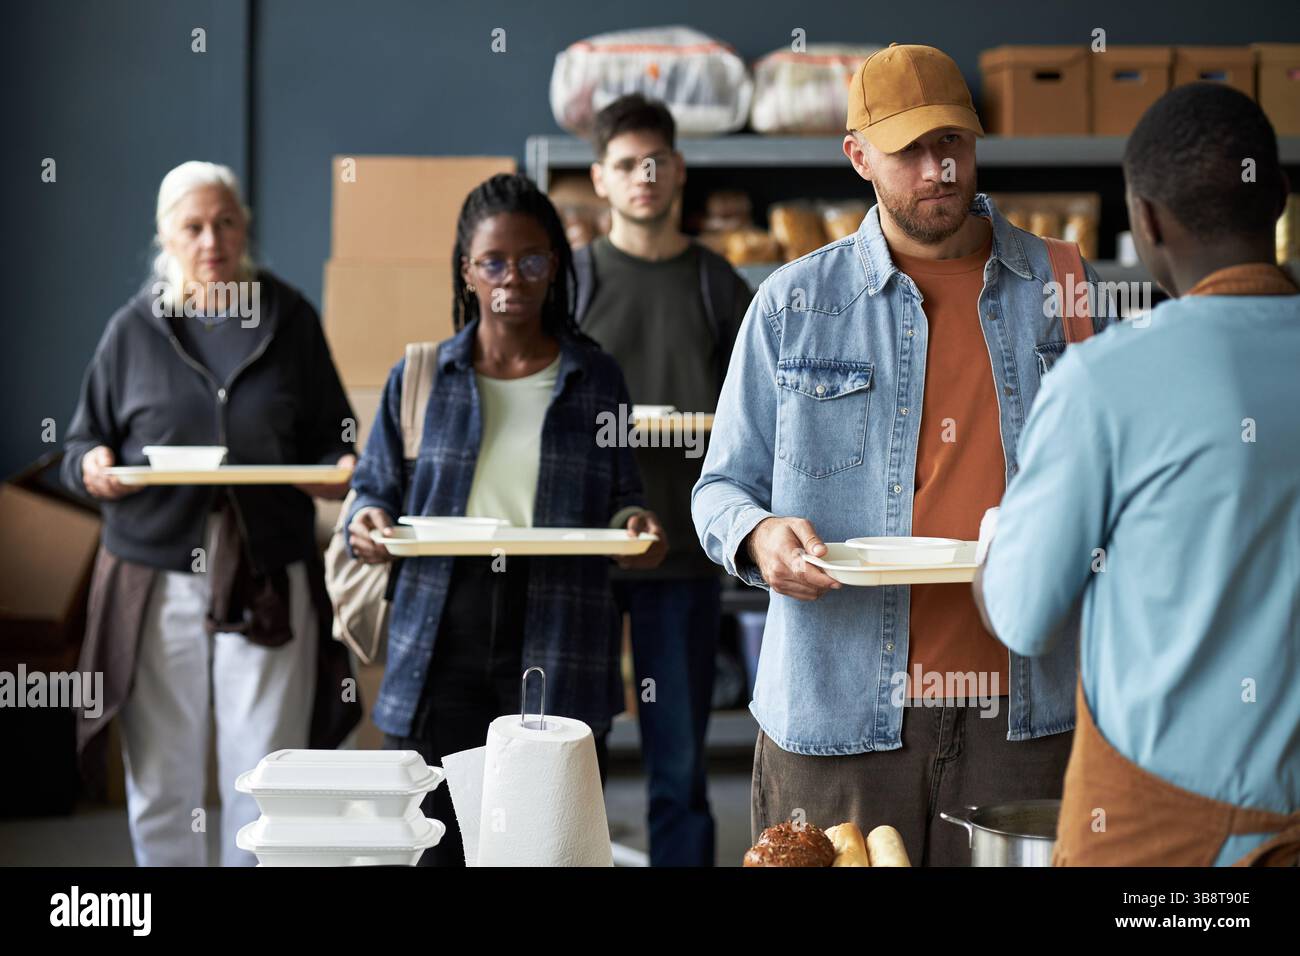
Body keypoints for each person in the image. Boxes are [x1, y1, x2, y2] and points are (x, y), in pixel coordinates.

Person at [692, 44, 1112, 865]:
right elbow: (720, 488)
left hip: (1022, 713)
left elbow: (1115, 479)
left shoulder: (1064, 286)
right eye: (911, 150)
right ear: (858, 156)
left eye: (953, 142)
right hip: (838, 714)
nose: (940, 168)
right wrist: (758, 536)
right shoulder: (791, 305)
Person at [974, 83, 1300, 866]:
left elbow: (1022, 617)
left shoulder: (1108, 380)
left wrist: (995, 546)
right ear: (1279, 201)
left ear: (1145, 220)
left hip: (1165, 836)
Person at [346, 173, 668, 867]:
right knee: (431, 843)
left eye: (530, 259)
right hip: (440, 631)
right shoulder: (423, 374)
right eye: (492, 261)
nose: (511, 277)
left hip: (559, 627)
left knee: (545, 845)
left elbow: (624, 493)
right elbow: (372, 485)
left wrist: (636, 523)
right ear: (466, 270)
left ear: (555, 266)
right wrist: (366, 520)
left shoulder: (596, 378)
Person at [62, 160, 359, 866]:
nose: (211, 240)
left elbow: (335, 437)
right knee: (163, 770)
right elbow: (83, 439)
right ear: (164, 235)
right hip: (153, 569)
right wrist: (94, 467)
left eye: (226, 222)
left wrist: (338, 474)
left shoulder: (288, 318)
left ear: (245, 228)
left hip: (264, 568)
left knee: (265, 770)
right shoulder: (133, 329)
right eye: (192, 226)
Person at [574, 93, 752, 867]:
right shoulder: (571, 284)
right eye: (625, 165)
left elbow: (760, 412)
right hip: (578, 556)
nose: (643, 177)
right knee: (566, 762)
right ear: (600, 179)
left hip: (682, 557)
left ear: (676, 171)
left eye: (656, 162)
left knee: (677, 771)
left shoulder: (719, 286)